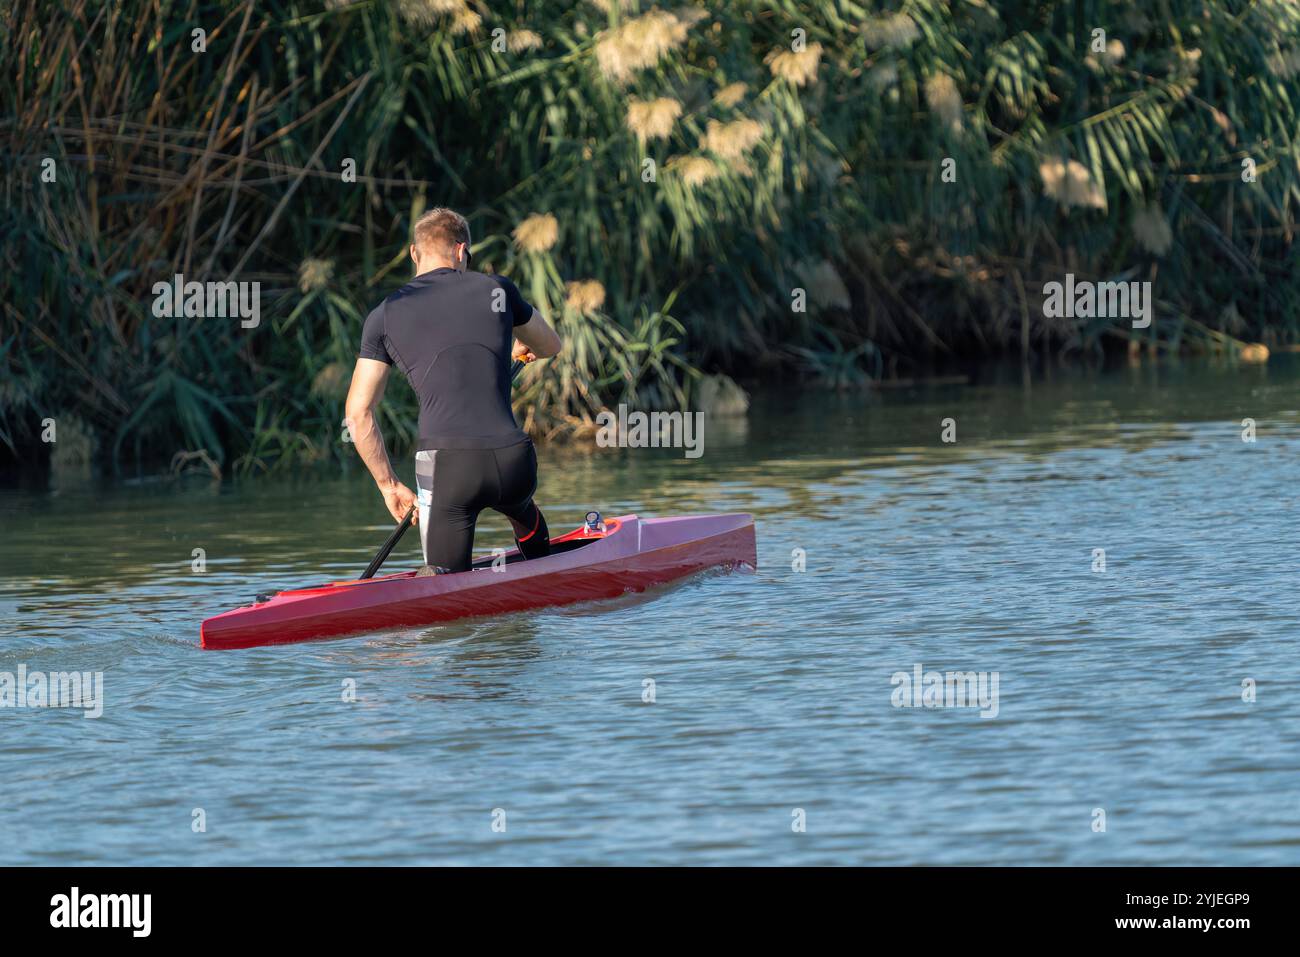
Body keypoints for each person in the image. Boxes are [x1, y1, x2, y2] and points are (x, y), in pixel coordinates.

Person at [344, 208, 563, 573]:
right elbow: (550, 346)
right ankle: (544, 566)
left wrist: (389, 486)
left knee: (444, 589)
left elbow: (357, 414)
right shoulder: (498, 289)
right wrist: (520, 349)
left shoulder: (384, 315)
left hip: (450, 471)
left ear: (414, 253)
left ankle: (448, 584)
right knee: (519, 504)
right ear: (462, 253)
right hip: (514, 462)